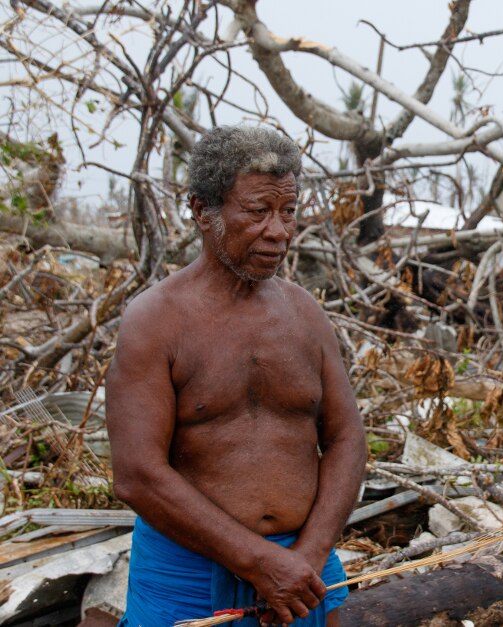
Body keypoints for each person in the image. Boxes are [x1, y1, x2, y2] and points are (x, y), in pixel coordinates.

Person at [106, 126, 367, 627]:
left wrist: (307, 556)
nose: (279, 231)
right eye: (257, 212)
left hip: (305, 570)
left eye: (287, 212)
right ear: (202, 211)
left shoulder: (304, 314)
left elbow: (346, 437)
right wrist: (258, 561)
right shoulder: (156, 321)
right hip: (188, 574)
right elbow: (137, 474)